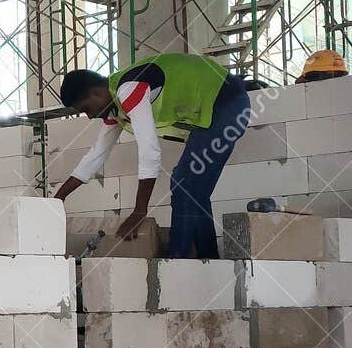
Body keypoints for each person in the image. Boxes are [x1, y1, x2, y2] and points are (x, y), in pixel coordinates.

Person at [52, 53, 253, 259]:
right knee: (195, 191)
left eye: (86, 109)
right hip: (219, 107)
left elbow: (150, 152)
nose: (90, 116)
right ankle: (209, 259)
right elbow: (95, 156)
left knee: (183, 182)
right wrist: (58, 198)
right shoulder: (116, 109)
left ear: (96, 92)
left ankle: (175, 261)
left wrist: (140, 211)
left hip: (227, 101)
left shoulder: (128, 89)